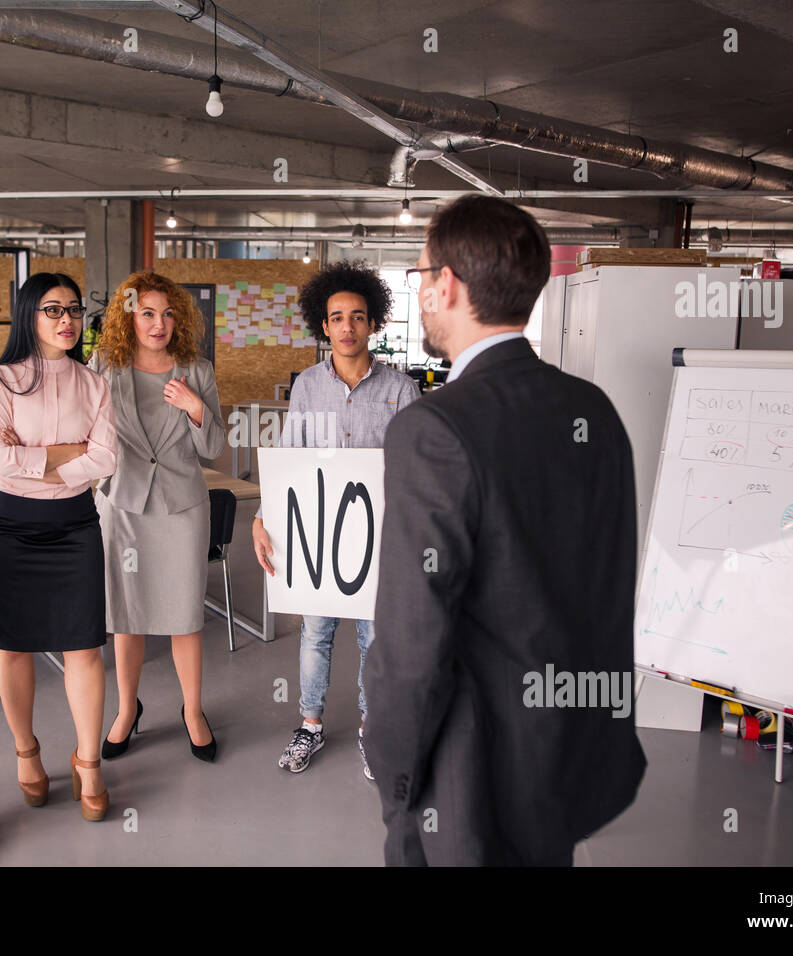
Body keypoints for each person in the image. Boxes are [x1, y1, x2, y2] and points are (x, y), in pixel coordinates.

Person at [363, 195, 647, 866]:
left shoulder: (434, 429)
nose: (422, 290)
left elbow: (411, 644)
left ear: (448, 285)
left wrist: (395, 773)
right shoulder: (593, 409)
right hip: (565, 753)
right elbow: (604, 584)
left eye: (421, 275)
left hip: (470, 784)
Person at [251, 261, 419, 779]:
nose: (347, 327)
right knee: (315, 634)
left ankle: (372, 730)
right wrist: (262, 516)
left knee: (375, 638)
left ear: (373, 324)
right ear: (323, 325)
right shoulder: (305, 387)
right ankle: (310, 724)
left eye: (358, 317)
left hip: (377, 540)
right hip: (317, 538)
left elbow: (416, 468)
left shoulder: (402, 389)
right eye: (337, 318)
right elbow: (289, 454)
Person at [0, 272, 118, 821]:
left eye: (74, 310)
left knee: (84, 646)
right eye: (52, 309)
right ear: (29, 316)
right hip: (11, 526)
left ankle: (89, 762)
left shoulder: (94, 383)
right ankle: (27, 752)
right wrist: (67, 453)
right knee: (12, 646)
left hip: (75, 525)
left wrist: (39, 457)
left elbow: (106, 459)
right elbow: (1, 462)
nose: (67, 320)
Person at [90, 272, 225, 763]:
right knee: (127, 616)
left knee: (185, 615)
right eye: (147, 312)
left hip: (181, 507)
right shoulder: (106, 365)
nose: (159, 323)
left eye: (168, 313)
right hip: (124, 504)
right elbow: (84, 428)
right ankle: (127, 709)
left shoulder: (198, 369)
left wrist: (194, 408)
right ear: (129, 317)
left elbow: (213, 448)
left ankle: (193, 712)